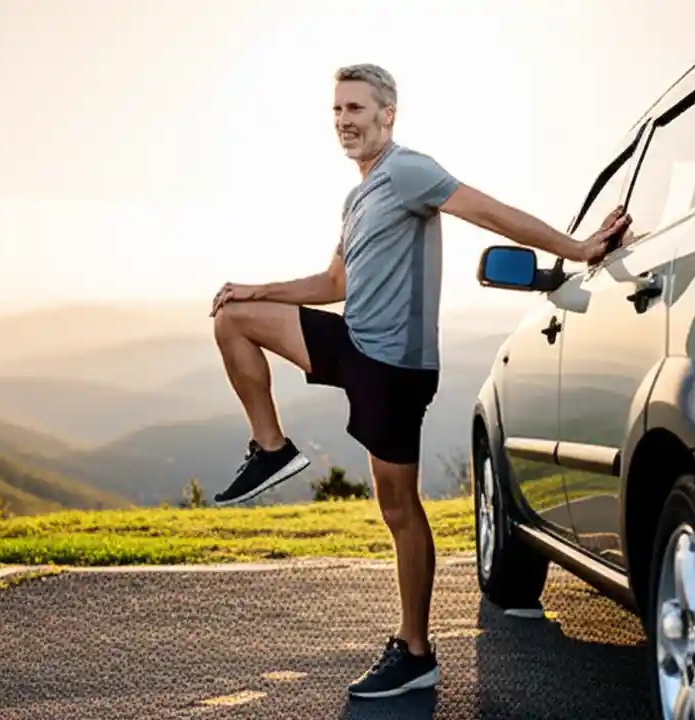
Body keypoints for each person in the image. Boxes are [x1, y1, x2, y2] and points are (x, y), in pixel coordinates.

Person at [208, 63, 631, 699]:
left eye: (356, 109)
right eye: (337, 112)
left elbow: (486, 211)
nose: (345, 121)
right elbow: (335, 285)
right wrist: (257, 288)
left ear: (388, 114)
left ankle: (415, 651)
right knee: (233, 317)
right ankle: (272, 448)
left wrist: (575, 249)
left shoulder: (409, 170)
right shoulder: (359, 195)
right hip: (354, 343)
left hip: (394, 368)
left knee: (399, 508)